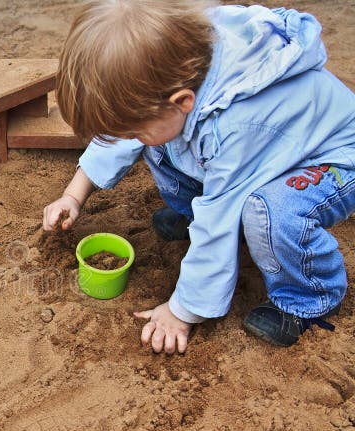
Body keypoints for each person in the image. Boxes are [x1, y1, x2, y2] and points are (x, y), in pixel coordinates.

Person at [43, 0, 355, 353]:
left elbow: (220, 213)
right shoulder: (175, 63)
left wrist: (181, 311)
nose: (128, 139)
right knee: (157, 143)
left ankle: (311, 298)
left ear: (183, 101)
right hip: (261, 151)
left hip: (331, 159)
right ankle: (193, 212)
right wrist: (74, 193)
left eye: (132, 130)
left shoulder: (235, 125)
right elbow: (124, 135)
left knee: (267, 211)